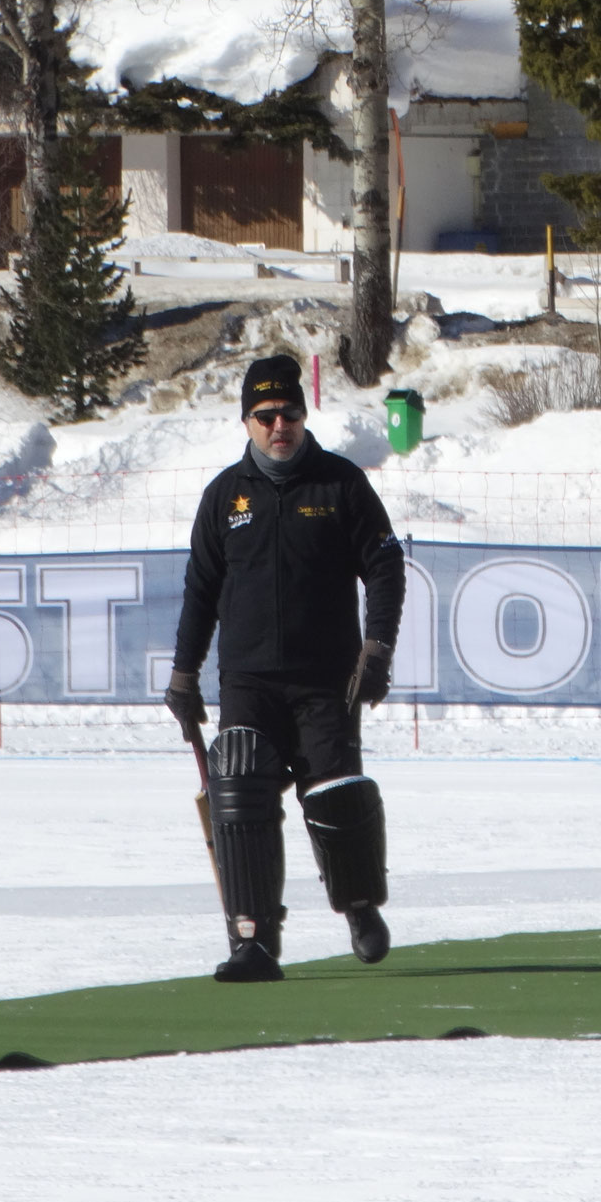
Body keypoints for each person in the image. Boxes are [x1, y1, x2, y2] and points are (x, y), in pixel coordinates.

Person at [166, 354, 407, 983]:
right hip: (247, 682)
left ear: (304, 416)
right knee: (238, 789)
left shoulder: (341, 484)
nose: (280, 425)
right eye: (266, 415)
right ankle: (253, 941)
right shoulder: (225, 497)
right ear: (246, 421)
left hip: (325, 679)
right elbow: (200, 590)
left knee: (333, 795)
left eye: (290, 414)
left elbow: (385, 566)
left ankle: (357, 903)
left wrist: (376, 650)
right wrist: (184, 675)